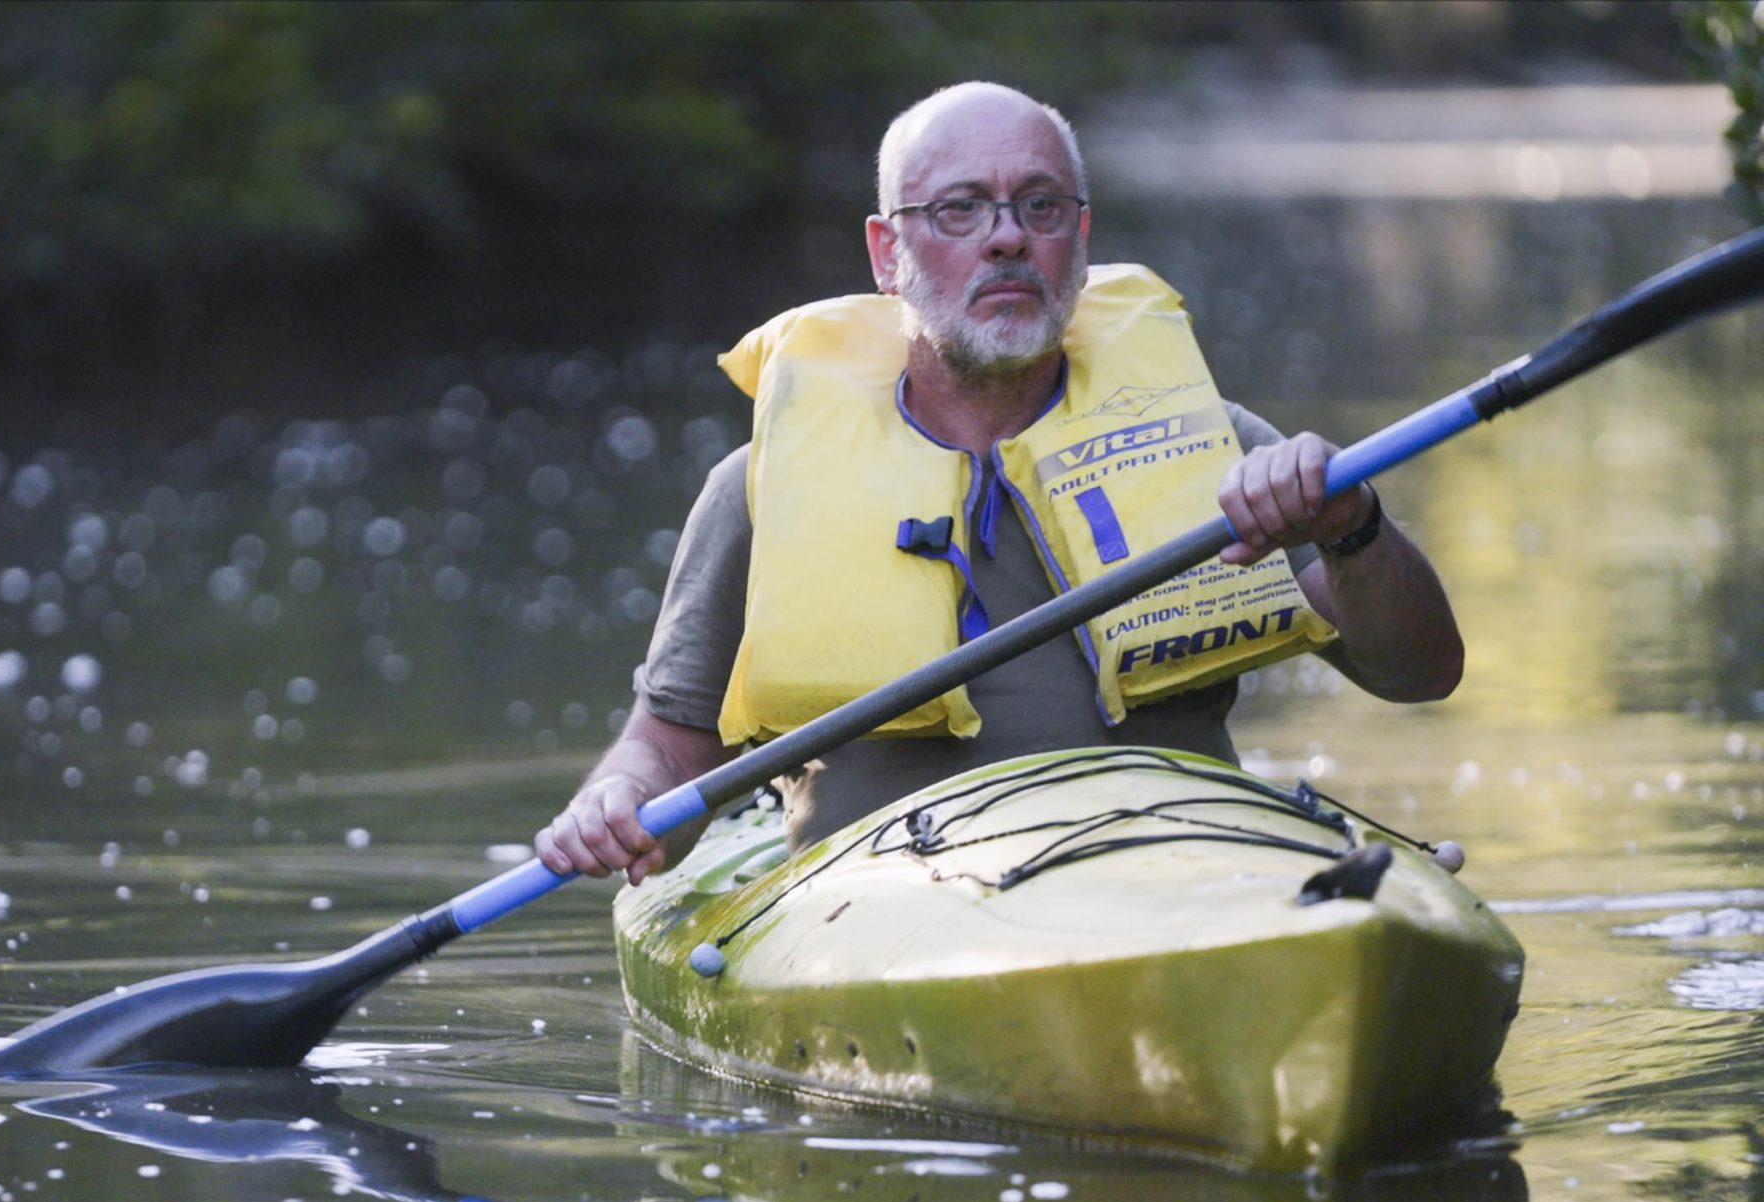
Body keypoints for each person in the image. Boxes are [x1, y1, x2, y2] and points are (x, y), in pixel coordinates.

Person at [535, 81, 1463, 882]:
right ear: (885, 254)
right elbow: (667, 750)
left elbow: (1422, 675)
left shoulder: (1222, 449)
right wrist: (617, 801)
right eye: (959, 210)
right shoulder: (758, 491)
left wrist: (1354, 526)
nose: (1007, 238)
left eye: (1041, 207)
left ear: (1080, 240)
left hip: (1182, 866)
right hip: (886, 900)